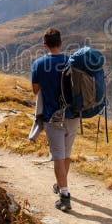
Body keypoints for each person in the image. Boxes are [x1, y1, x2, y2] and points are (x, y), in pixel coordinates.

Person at [31, 27, 79, 212]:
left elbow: (35, 90)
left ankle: (64, 196)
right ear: (61, 42)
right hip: (73, 115)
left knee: (58, 156)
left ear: (45, 45)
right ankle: (61, 184)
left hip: (53, 117)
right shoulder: (71, 62)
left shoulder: (39, 64)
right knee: (66, 154)